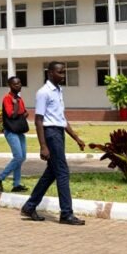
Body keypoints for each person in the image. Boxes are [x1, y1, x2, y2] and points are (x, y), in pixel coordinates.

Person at [20, 61, 86, 225]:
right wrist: (43, 145)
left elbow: (61, 119)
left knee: (52, 173)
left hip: (58, 133)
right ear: (50, 73)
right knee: (63, 172)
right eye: (60, 72)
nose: (63, 75)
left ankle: (29, 206)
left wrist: (76, 138)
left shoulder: (58, 91)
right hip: (50, 134)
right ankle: (66, 214)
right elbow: (39, 120)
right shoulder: (44, 92)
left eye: (64, 72)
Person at [0, 76, 29, 193]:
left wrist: (19, 109)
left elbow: (24, 113)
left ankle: (16, 184)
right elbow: (11, 114)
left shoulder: (19, 98)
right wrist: (17, 107)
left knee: (22, 157)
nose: (18, 85)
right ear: (10, 85)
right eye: (15, 84)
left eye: (19, 83)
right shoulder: (7, 98)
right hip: (11, 131)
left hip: (19, 131)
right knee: (18, 157)